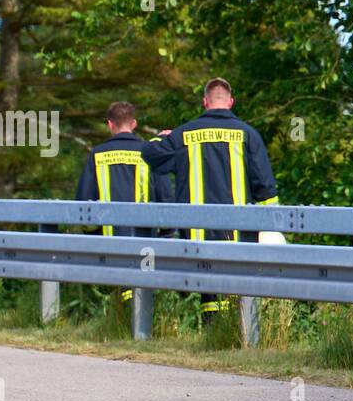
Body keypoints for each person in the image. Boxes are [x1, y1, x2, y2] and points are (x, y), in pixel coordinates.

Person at [143, 78, 279, 320]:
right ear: (231, 101)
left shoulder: (183, 135)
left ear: (205, 101)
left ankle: (213, 331)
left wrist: (162, 137)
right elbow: (265, 188)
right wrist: (272, 226)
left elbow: (151, 156)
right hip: (239, 232)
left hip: (197, 232)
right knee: (235, 285)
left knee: (208, 290)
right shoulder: (248, 134)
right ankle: (235, 333)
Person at [76, 100, 155, 304]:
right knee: (141, 288)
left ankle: (122, 322)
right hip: (145, 241)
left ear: (110, 124)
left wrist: (93, 234)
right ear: (134, 123)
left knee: (121, 290)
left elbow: (83, 204)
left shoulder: (97, 155)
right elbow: (165, 197)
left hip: (110, 241)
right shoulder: (148, 152)